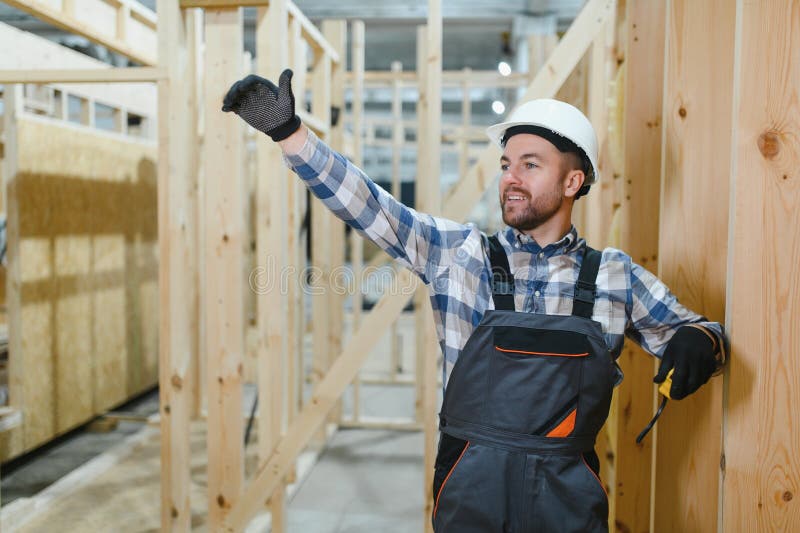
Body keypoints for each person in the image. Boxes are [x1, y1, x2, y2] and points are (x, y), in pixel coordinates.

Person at [222, 69, 727, 532]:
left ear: (573, 182)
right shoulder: (458, 255)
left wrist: (699, 341)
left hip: (567, 498)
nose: (510, 177)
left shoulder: (616, 276)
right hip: (472, 486)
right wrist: (291, 135)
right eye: (507, 164)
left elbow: (705, 333)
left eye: (531, 165)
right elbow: (371, 207)